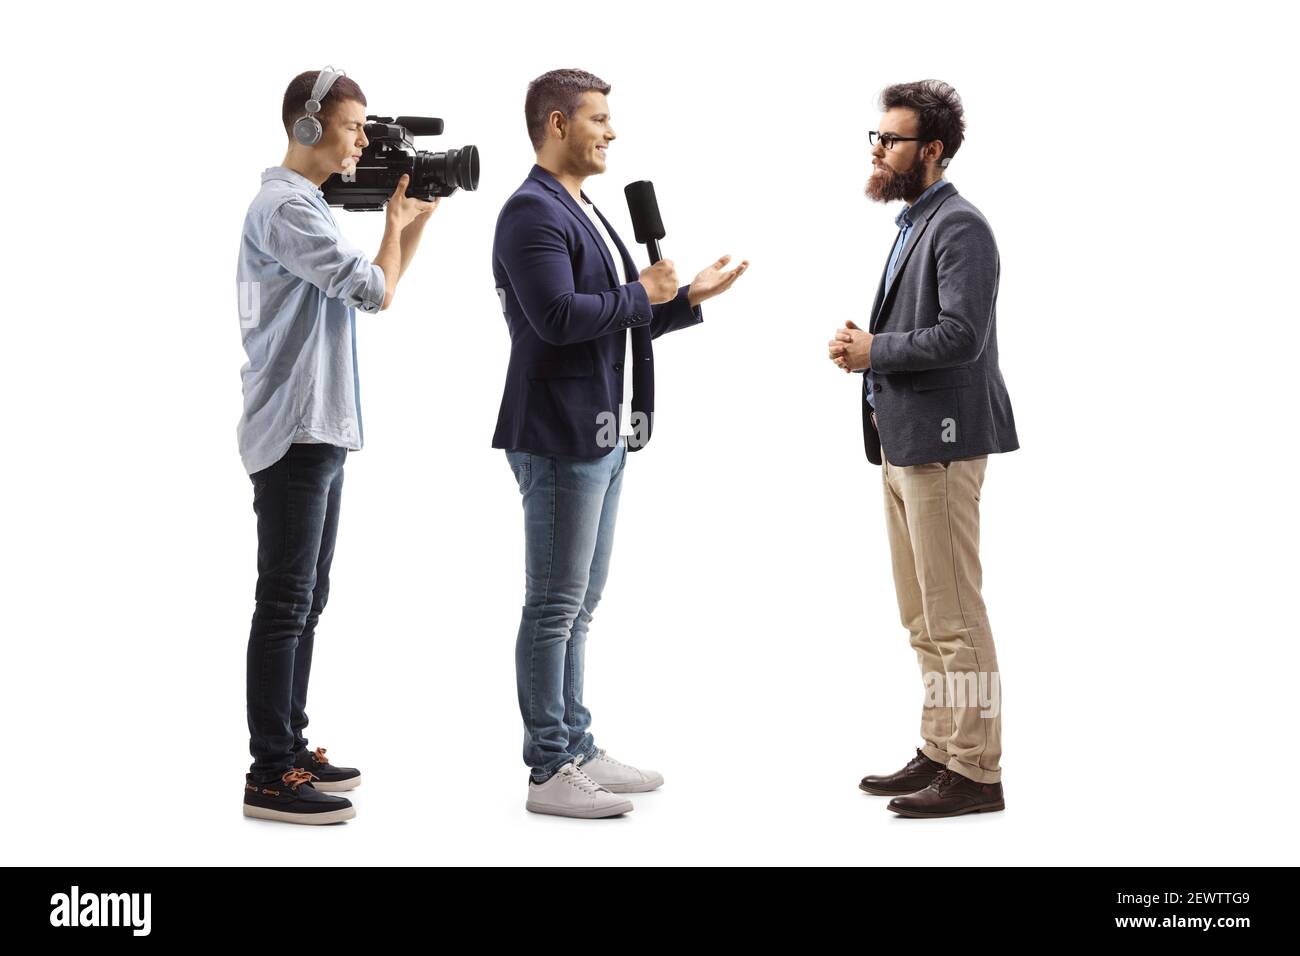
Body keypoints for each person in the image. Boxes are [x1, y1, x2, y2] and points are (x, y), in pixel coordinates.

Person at [492, 68, 748, 818]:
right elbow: (560, 318)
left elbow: (618, 317)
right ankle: (548, 771)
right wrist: (646, 293)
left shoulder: (584, 208)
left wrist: (686, 297)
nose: (611, 132)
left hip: (603, 434)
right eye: (599, 119)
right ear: (557, 124)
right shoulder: (529, 213)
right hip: (558, 434)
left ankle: (575, 745)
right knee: (552, 605)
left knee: (581, 604)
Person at [236, 66, 436, 824]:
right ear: (310, 126)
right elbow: (371, 288)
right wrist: (392, 226)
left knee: (306, 598)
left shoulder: (301, 208)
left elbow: (378, 291)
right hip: (295, 425)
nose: (363, 142)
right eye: (354, 127)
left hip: (314, 425)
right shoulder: (288, 209)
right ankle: (269, 771)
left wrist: (412, 221)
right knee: (285, 601)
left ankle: (289, 747)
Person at [829, 79, 1018, 818]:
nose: (878, 149)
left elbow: (962, 336)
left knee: (955, 615)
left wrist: (875, 349)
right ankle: (942, 749)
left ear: (930, 150)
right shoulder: (915, 220)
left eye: (892, 139)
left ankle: (976, 769)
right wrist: (871, 354)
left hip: (941, 444)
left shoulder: (961, 226)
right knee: (922, 615)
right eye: (874, 137)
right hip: (904, 442)